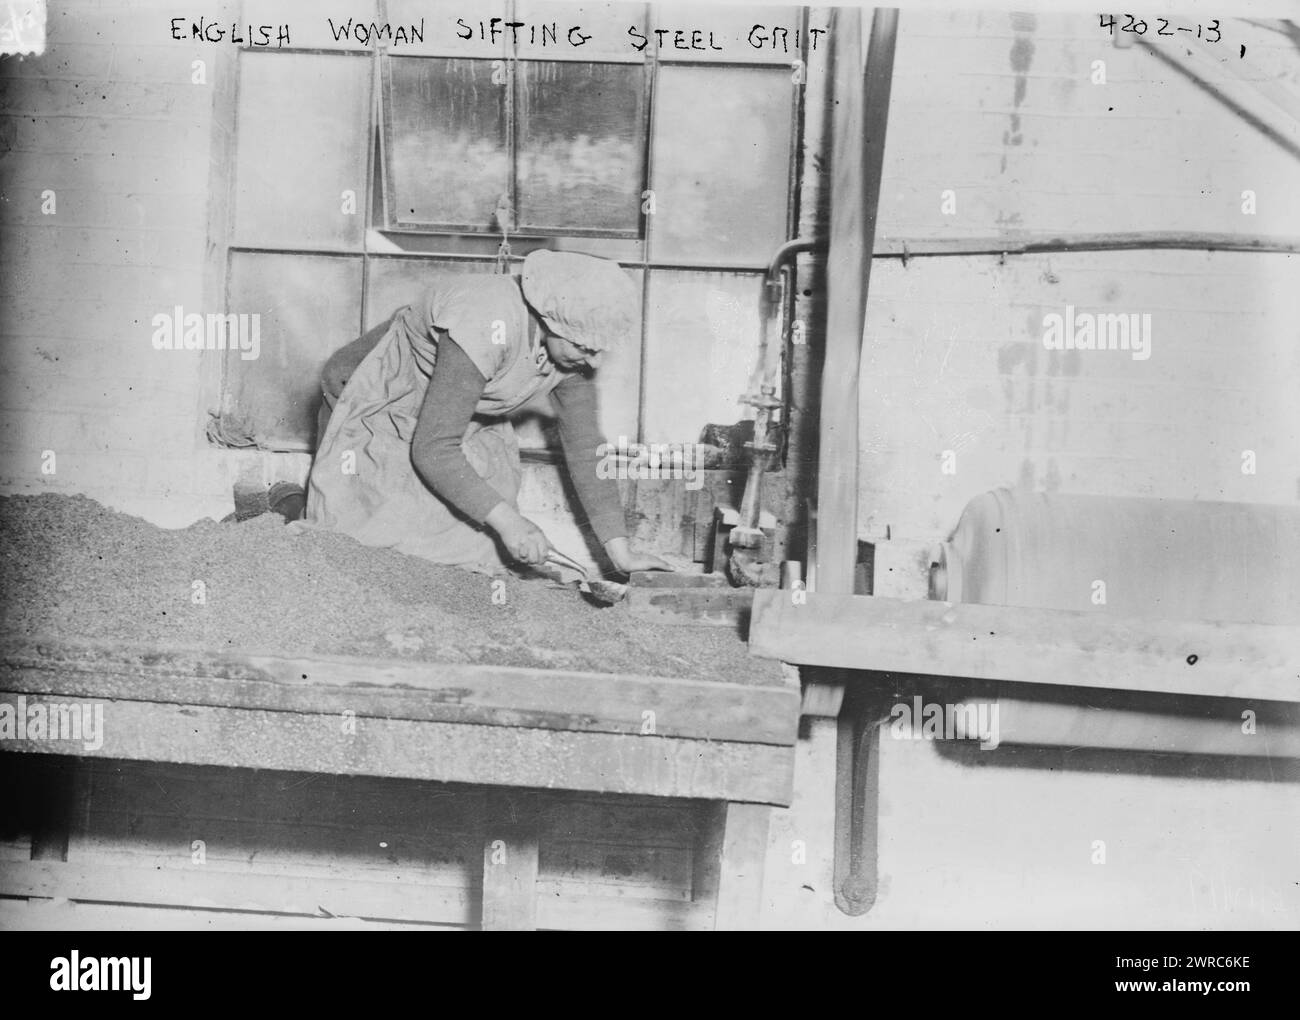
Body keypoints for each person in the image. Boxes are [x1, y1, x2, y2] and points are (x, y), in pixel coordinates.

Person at [306, 249, 671, 576]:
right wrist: (511, 523)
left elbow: (586, 447)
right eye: (584, 347)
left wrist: (619, 550)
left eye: (599, 350)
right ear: (550, 320)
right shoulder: (485, 321)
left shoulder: (571, 354)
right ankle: (286, 506)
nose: (593, 362)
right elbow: (433, 449)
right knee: (357, 537)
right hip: (378, 392)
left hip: (445, 407)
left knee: (469, 546)